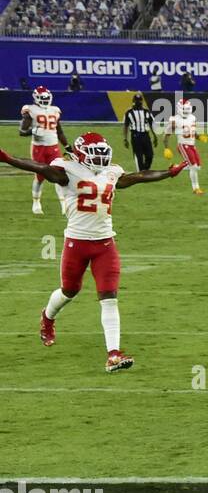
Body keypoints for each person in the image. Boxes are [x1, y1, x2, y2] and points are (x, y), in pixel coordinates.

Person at [0, 133, 188, 372]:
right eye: (95, 153)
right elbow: (39, 167)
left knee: (109, 297)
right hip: (76, 243)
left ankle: (113, 354)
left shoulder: (111, 172)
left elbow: (137, 177)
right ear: (80, 154)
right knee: (69, 290)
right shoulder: (65, 169)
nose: (100, 158)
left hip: (105, 244)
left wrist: (168, 173)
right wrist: (7, 158)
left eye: (101, 153)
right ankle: (47, 317)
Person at [18, 85, 71, 215]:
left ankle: (64, 204)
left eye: (46, 97)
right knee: (40, 176)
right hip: (39, 147)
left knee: (59, 175)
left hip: (53, 147)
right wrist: (33, 131)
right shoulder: (30, 110)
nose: (45, 100)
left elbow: (59, 131)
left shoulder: (54, 110)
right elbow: (22, 131)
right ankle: (36, 203)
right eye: (42, 97)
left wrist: (67, 146)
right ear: (36, 98)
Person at [162, 98, 205, 195]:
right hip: (183, 145)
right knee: (193, 166)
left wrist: (199, 137)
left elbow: (192, 131)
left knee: (198, 167)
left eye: (187, 109)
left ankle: (176, 167)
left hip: (192, 144)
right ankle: (196, 188)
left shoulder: (192, 118)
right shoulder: (174, 120)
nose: (186, 112)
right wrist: (166, 148)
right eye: (184, 110)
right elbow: (166, 135)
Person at [122, 93, 157, 171]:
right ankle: (140, 171)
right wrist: (125, 139)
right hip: (135, 136)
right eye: (136, 100)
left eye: (139, 100)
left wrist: (155, 136)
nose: (138, 102)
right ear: (133, 101)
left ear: (142, 101)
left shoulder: (146, 111)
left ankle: (145, 169)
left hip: (145, 135)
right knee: (139, 155)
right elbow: (125, 126)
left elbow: (151, 124)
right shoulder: (129, 112)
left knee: (150, 155)